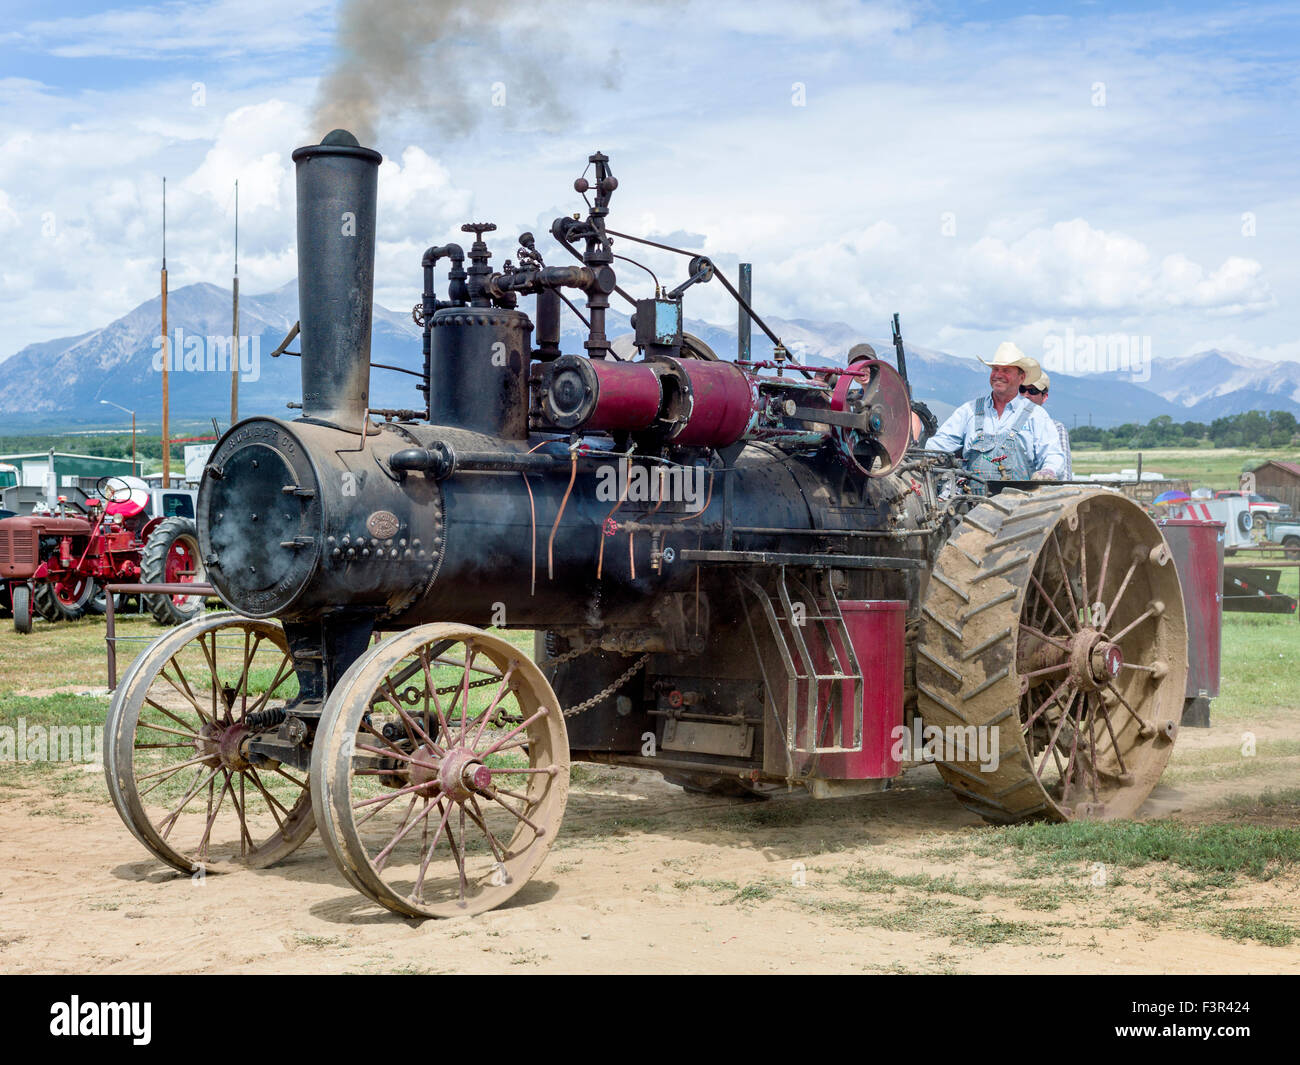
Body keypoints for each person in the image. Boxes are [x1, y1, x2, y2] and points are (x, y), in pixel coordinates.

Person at [925, 342, 1065, 492]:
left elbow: (1052, 454)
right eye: (995, 369)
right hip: (972, 504)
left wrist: (1048, 471)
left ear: (1021, 377)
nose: (998, 375)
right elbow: (939, 446)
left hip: (1021, 508)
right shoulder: (969, 411)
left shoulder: (1036, 415)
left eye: (1006, 370)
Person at [1020, 369, 1072, 481]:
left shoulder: (1057, 428)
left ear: (1044, 397)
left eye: (1033, 391)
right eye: (1022, 389)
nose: (1026, 395)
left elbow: (1064, 476)